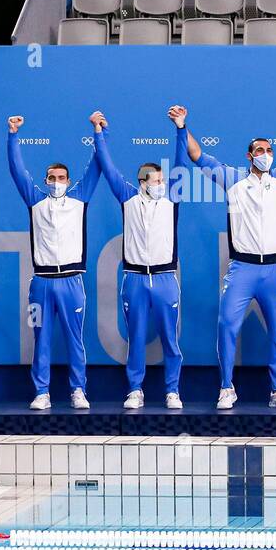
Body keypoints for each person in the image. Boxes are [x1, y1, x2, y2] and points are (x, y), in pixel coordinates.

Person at [175, 106, 276, 409]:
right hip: (242, 268)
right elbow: (197, 156)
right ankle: (226, 387)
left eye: (269, 150)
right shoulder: (233, 180)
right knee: (226, 325)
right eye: (260, 150)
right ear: (249, 156)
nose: (266, 154)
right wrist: (182, 126)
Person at [90, 108, 188, 410]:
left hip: (164, 278)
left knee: (170, 339)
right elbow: (107, 167)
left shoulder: (172, 198)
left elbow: (181, 164)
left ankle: (172, 390)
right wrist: (98, 134)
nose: (159, 184)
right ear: (141, 181)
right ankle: (135, 389)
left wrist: (180, 128)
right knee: (135, 337)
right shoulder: (128, 198)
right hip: (133, 278)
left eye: (161, 179)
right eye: (153, 180)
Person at [7, 114, 101, 411]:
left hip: (73, 283)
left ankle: (78, 390)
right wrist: (12, 135)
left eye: (62, 178)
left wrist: (98, 131)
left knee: (75, 340)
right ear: (45, 181)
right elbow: (17, 171)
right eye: (52, 178)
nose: (57, 182)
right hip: (41, 284)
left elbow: (97, 167)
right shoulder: (35, 201)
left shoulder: (79, 201)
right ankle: (42, 392)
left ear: (69, 181)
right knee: (41, 339)